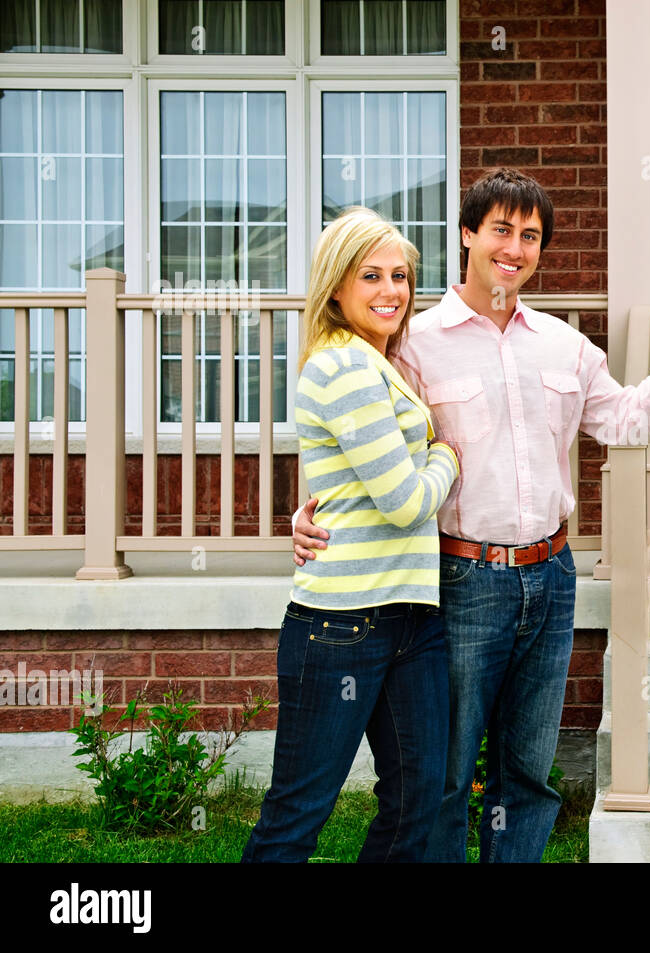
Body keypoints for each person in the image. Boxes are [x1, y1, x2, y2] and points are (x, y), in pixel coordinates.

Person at [293, 168, 650, 862]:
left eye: (530, 235)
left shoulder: (562, 346)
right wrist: (310, 508)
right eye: (501, 228)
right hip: (461, 580)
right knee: (442, 777)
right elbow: (358, 439)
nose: (515, 246)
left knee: (526, 775)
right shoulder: (411, 342)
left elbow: (631, 418)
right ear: (467, 234)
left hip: (551, 578)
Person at [243, 207, 460, 862]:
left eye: (400, 275)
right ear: (337, 285)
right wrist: (448, 452)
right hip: (341, 624)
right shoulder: (343, 367)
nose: (391, 289)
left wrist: (304, 515)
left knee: (416, 798)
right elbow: (402, 501)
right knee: (298, 813)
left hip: (412, 617)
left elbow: (342, 482)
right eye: (371, 275)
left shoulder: (379, 361)